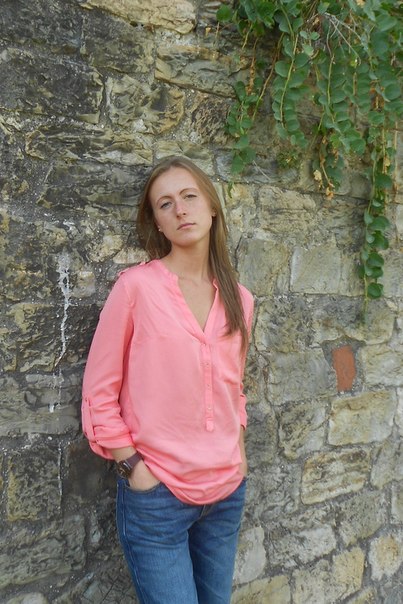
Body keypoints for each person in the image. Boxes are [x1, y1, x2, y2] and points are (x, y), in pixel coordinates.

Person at [81, 156, 254, 604]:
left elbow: (233, 386)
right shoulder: (136, 288)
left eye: (189, 196)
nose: (180, 209)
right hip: (158, 498)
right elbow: (99, 391)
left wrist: (238, 449)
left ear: (212, 206)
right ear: (157, 222)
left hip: (226, 494)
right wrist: (133, 467)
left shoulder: (240, 299)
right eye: (165, 203)